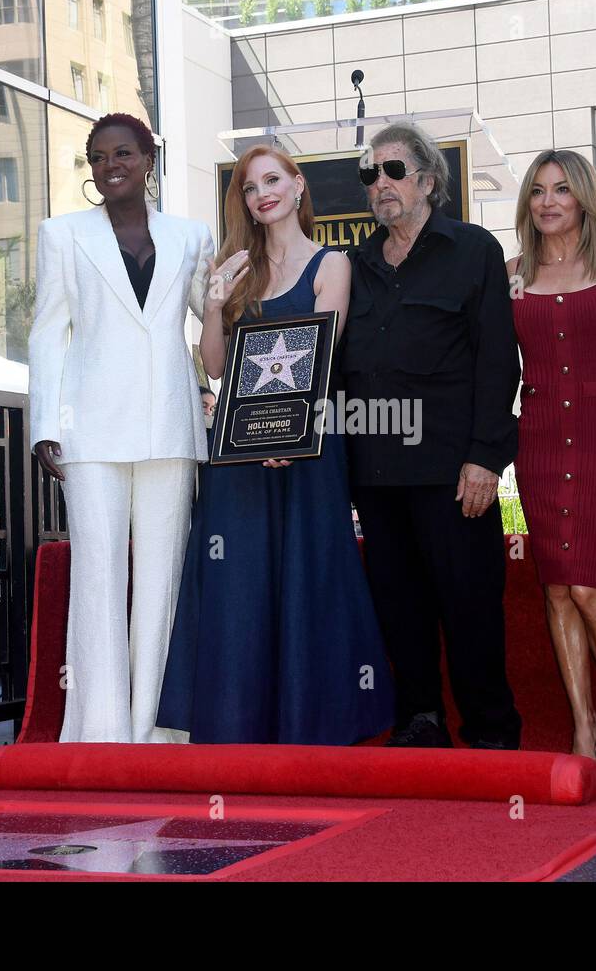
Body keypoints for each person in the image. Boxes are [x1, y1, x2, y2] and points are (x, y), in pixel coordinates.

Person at [156, 144, 394, 744]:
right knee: (238, 584)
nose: (262, 193)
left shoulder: (331, 264)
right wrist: (212, 304)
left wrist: (287, 430)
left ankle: (311, 729)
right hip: (237, 457)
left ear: (297, 185)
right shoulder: (234, 271)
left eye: (272, 180)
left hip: (308, 447)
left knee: (306, 576)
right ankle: (237, 730)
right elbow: (214, 366)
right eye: (249, 186)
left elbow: (324, 350)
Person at [29, 112, 212, 744]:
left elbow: (210, 316)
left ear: (149, 159)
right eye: (100, 157)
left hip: (170, 425)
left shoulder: (193, 236)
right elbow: (48, 331)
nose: (113, 165)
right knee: (98, 574)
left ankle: (156, 731)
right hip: (89, 430)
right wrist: (45, 423)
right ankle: (98, 733)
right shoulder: (61, 235)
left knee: (163, 577)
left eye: (125, 153)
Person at [341, 123, 522, 749]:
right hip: (377, 473)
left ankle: (492, 728)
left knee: (470, 603)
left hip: (453, 470)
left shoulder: (473, 250)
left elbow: (499, 361)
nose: (380, 186)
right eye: (370, 176)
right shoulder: (354, 265)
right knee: (399, 604)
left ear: (426, 180)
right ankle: (421, 717)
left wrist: (485, 458)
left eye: (393, 171)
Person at [505, 149, 596, 772]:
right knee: (556, 587)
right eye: (538, 191)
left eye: (562, 189)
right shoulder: (510, 276)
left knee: (588, 585)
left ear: (585, 197)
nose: (549, 201)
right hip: (537, 435)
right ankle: (582, 731)